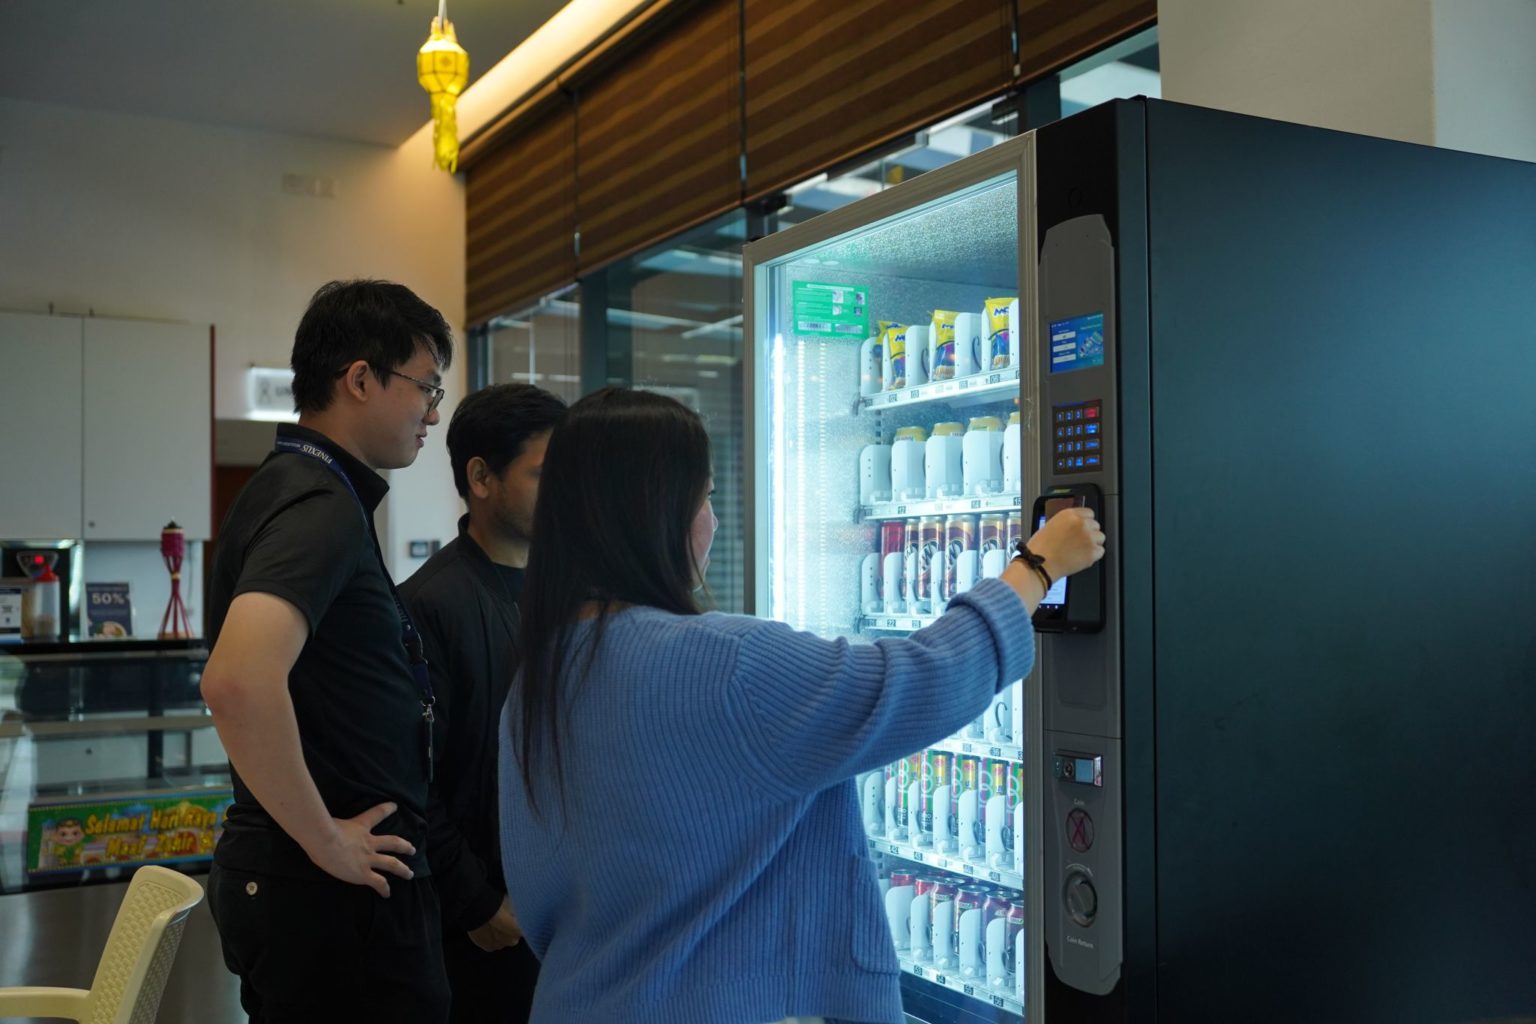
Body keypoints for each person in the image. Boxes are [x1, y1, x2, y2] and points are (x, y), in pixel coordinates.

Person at [497, 388, 1105, 1024]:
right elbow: (916, 682)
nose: (713, 520)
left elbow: (539, 903)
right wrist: (1036, 569)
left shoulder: (538, 679)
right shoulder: (719, 666)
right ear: (657, 512)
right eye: (705, 497)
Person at [200, 279, 454, 1024]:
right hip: (328, 895)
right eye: (426, 388)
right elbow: (240, 681)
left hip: (317, 890)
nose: (433, 414)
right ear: (361, 379)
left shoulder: (299, 488)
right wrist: (328, 843)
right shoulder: (317, 504)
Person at [401, 383, 567, 1022]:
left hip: (557, 913)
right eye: (545, 474)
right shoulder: (427, 605)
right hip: (478, 927)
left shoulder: (566, 591)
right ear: (481, 477)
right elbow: (412, 777)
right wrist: (475, 904)